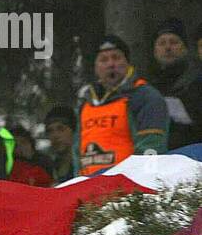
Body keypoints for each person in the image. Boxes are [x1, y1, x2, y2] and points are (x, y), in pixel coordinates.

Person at [73, 35, 170, 177]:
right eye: (104, 60)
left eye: (116, 57)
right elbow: (77, 151)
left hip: (128, 188)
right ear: (95, 67)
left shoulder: (145, 96)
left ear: (128, 62)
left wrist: (143, 183)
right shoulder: (86, 103)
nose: (111, 64)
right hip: (88, 188)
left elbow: (152, 146)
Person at [144, 18, 202, 151]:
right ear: (154, 50)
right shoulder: (146, 88)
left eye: (174, 42)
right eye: (162, 43)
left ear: (185, 48)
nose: (168, 48)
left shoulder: (196, 83)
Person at [42, 105, 77, 184]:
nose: (55, 135)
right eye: (50, 131)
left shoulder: (85, 163)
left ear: (74, 131)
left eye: (61, 129)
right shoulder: (49, 166)